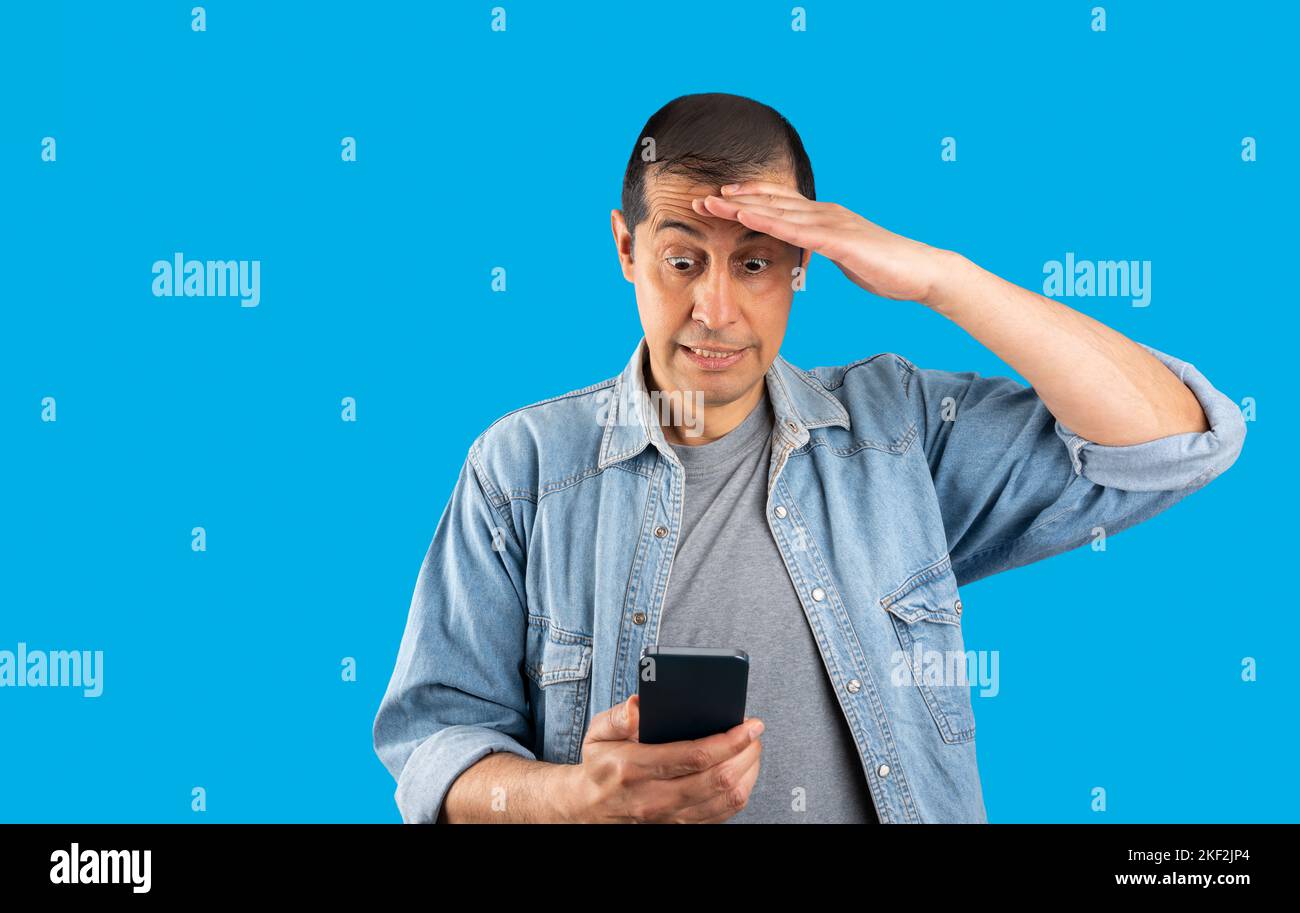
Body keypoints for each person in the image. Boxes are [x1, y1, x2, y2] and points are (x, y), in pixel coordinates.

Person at [373, 92, 1246, 823]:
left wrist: (940, 276)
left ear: (803, 265)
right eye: (683, 259)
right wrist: (571, 797)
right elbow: (435, 741)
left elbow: (1173, 440)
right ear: (626, 247)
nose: (715, 309)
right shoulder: (521, 469)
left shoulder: (899, 433)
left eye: (755, 263)